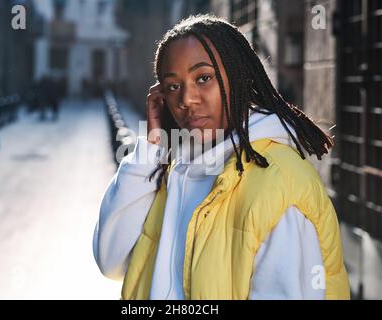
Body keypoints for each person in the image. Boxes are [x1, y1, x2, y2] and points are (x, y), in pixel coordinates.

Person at [93, 15, 350, 300]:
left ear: (239, 79)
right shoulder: (172, 169)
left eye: (203, 78)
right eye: (173, 86)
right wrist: (152, 147)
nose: (186, 99)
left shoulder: (280, 184)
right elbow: (111, 261)